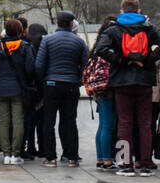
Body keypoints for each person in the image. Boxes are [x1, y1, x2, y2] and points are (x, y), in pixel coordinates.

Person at [97, 0, 160, 176]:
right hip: (144, 81)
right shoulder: (149, 28)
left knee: (125, 123)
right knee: (145, 123)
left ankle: (126, 164)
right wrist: (148, 60)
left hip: (122, 81)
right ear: (139, 11)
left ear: (121, 11)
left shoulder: (114, 29)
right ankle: (145, 163)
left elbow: (101, 49)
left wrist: (121, 60)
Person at [36, 11, 88, 166]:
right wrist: (77, 79)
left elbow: (39, 65)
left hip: (51, 84)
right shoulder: (80, 42)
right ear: (71, 24)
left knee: (49, 121)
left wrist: (45, 78)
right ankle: (72, 157)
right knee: (70, 120)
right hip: (71, 84)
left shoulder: (47, 40)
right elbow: (85, 67)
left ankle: (50, 157)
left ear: (57, 23)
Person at [0, 18, 35, 164]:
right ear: (20, 31)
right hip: (18, 89)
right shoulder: (25, 47)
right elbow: (30, 69)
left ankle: (6, 154)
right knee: (18, 120)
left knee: (3, 121)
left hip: (0, 89)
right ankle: (15, 153)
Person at [88, 17, 117, 169]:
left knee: (103, 125)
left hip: (98, 89)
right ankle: (107, 159)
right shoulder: (110, 49)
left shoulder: (97, 47)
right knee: (109, 125)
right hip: (110, 89)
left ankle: (101, 158)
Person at [23, 22, 48, 160]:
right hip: (44, 86)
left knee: (30, 120)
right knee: (43, 120)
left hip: (30, 88)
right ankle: (43, 147)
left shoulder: (27, 46)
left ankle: (30, 146)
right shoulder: (46, 46)